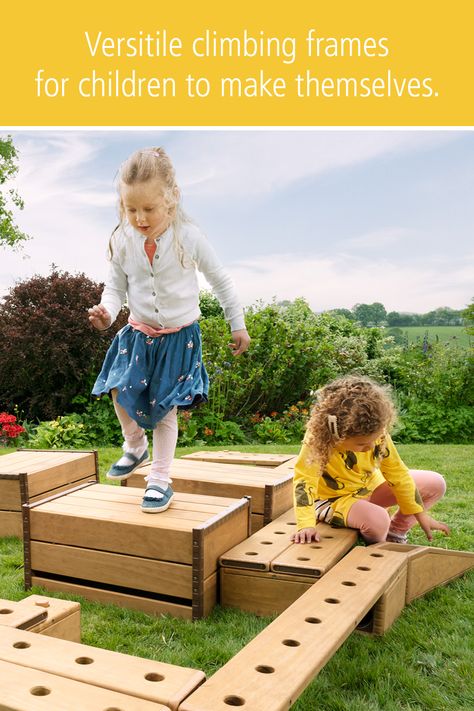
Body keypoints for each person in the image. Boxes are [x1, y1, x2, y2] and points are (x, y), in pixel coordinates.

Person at [88, 147, 250, 513]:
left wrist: (236, 324)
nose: (140, 217)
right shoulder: (121, 240)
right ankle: (134, 445)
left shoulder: (188, 237)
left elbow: (221, 281)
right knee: (117, 387)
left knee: (164, 412)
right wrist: (106, 313)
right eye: (131, 209)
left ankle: (159, 480)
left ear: (171, 201)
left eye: (149, 209)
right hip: (137, 332)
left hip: (178, 339)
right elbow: (114, 288)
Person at [292, 375, 450, 544]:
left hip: (369, 488)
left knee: (435, 483)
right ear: (338, 435)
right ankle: (375, 538)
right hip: (333, 501)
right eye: (362, 444)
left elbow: (397, 473)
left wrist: (421, 515)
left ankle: (395, 533)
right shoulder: (318, 441)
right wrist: (306, 525)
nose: (369, 448)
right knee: (379, 520)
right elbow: (304, 482)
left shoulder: (375, 433)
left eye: (373, 440)